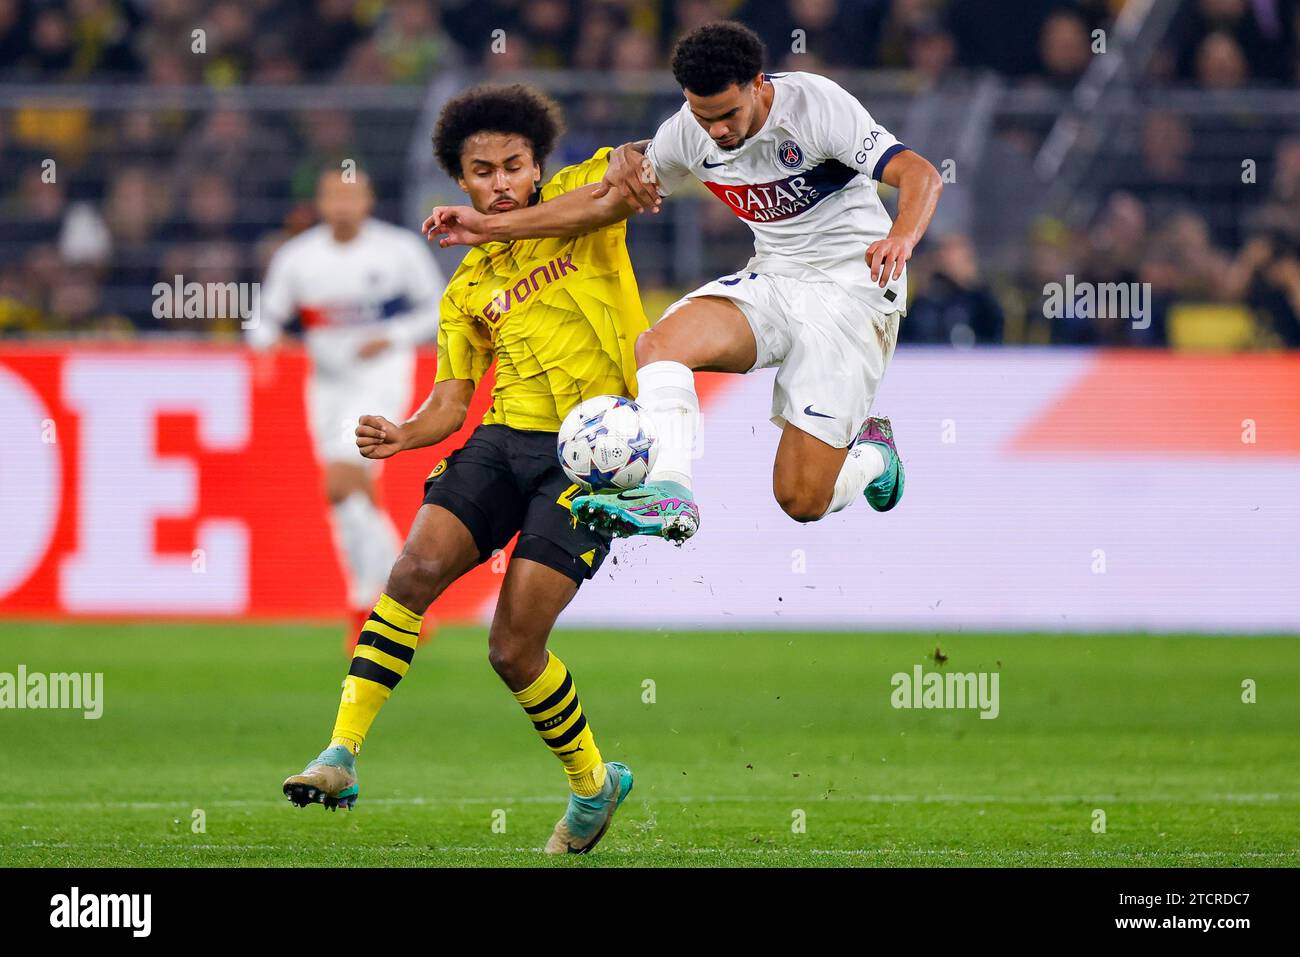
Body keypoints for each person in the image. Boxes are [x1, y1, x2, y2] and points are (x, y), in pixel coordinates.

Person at [282, 84, 648, 854]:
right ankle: (341, 753)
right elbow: (452, 403)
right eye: (483, 171)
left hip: (588, 457)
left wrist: (640, 161)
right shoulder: (467, 287)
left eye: (514, 164)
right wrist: (404, 432)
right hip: (501, 439)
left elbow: (624, 186)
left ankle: (591, 783)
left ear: (539, 163)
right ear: (462, 179)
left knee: (512, 648)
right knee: (412, 570)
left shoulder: (584, 191)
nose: (501, 181)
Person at [427, 21, 943, 542]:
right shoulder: (687, 133)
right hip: (777, 278)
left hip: (853, 291)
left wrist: (900, 237)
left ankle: (875, 454)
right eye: (703, 116)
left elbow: (920, 173)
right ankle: (671, 492)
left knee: (802, 499)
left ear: (758, 84)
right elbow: (604, 202)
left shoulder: (816, 106)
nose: (716, 131)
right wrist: (490, 227)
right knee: (661, 344)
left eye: (728, 115)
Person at [248, 169, 444, 650]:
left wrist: (393, 337)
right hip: (326, 386)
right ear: (320, 201)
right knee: (348, 500)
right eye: (333, 195)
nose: (341, 205)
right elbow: (265, 316)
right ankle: (395, 604)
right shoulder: (299, 257)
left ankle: (373, 603)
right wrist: (264, 345)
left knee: (340, 479)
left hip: (380, 378)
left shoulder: (397, 250)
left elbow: (439, 305)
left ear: (368, 199)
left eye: (350, 195)